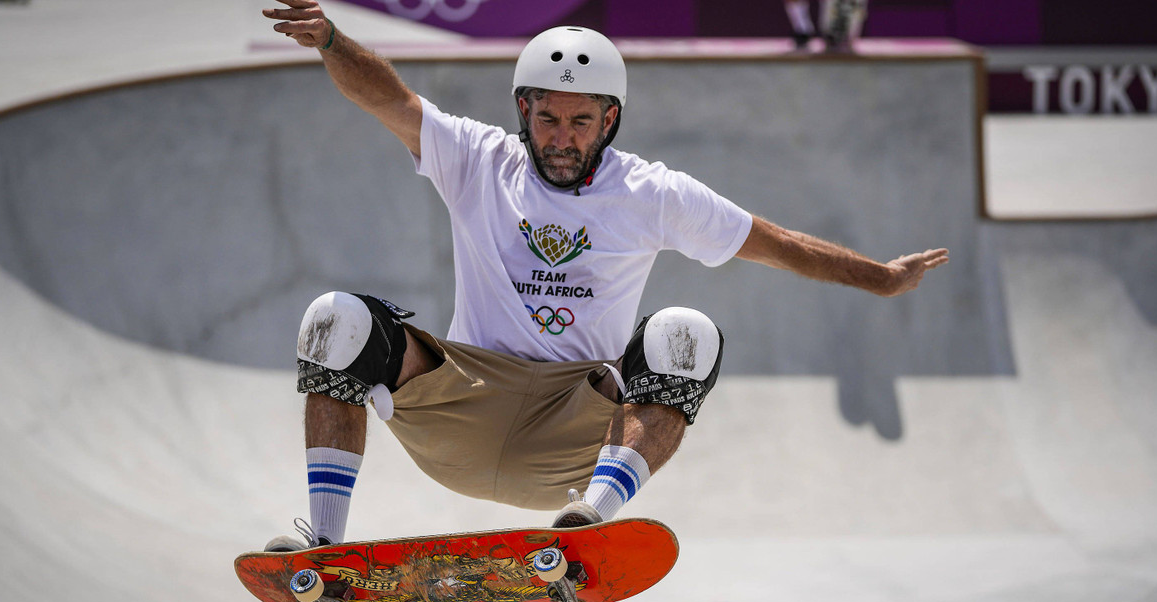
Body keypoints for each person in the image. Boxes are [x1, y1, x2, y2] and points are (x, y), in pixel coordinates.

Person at [260, 0, 949, 552]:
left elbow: (778, 245)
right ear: (523, 111)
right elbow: (388, 100)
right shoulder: (475, 158)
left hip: (576, 432)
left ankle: (592, 519)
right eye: (550, 119)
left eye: (581, 122)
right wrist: (331, 42)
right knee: (336, 319)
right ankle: (323, 551)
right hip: (458, 410)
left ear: (609, 119)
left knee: (686, 336)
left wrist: (879, 279)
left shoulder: (653, 193)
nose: (563, 138)